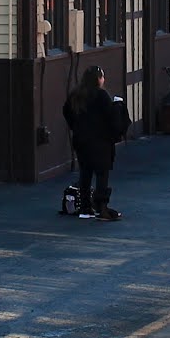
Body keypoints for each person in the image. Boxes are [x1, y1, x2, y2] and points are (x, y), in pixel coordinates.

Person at [62, 65, 130, 221]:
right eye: (102, 77)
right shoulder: (102, 95)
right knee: (102, 173)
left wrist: (75, 127)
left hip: (81, 140)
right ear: (98, 79)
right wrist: (118, 107)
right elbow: (110, 117)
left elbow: (66, 111)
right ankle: (102, 207)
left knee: (85, 173)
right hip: (100, 141)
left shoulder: (75, 95)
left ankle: (85, 208)